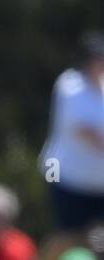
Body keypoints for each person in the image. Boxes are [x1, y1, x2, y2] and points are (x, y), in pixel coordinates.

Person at [41, 32, 104, 232]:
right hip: (66, 178)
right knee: (70, 238)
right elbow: (83, 130)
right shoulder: (70, 85)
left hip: (99, 184)